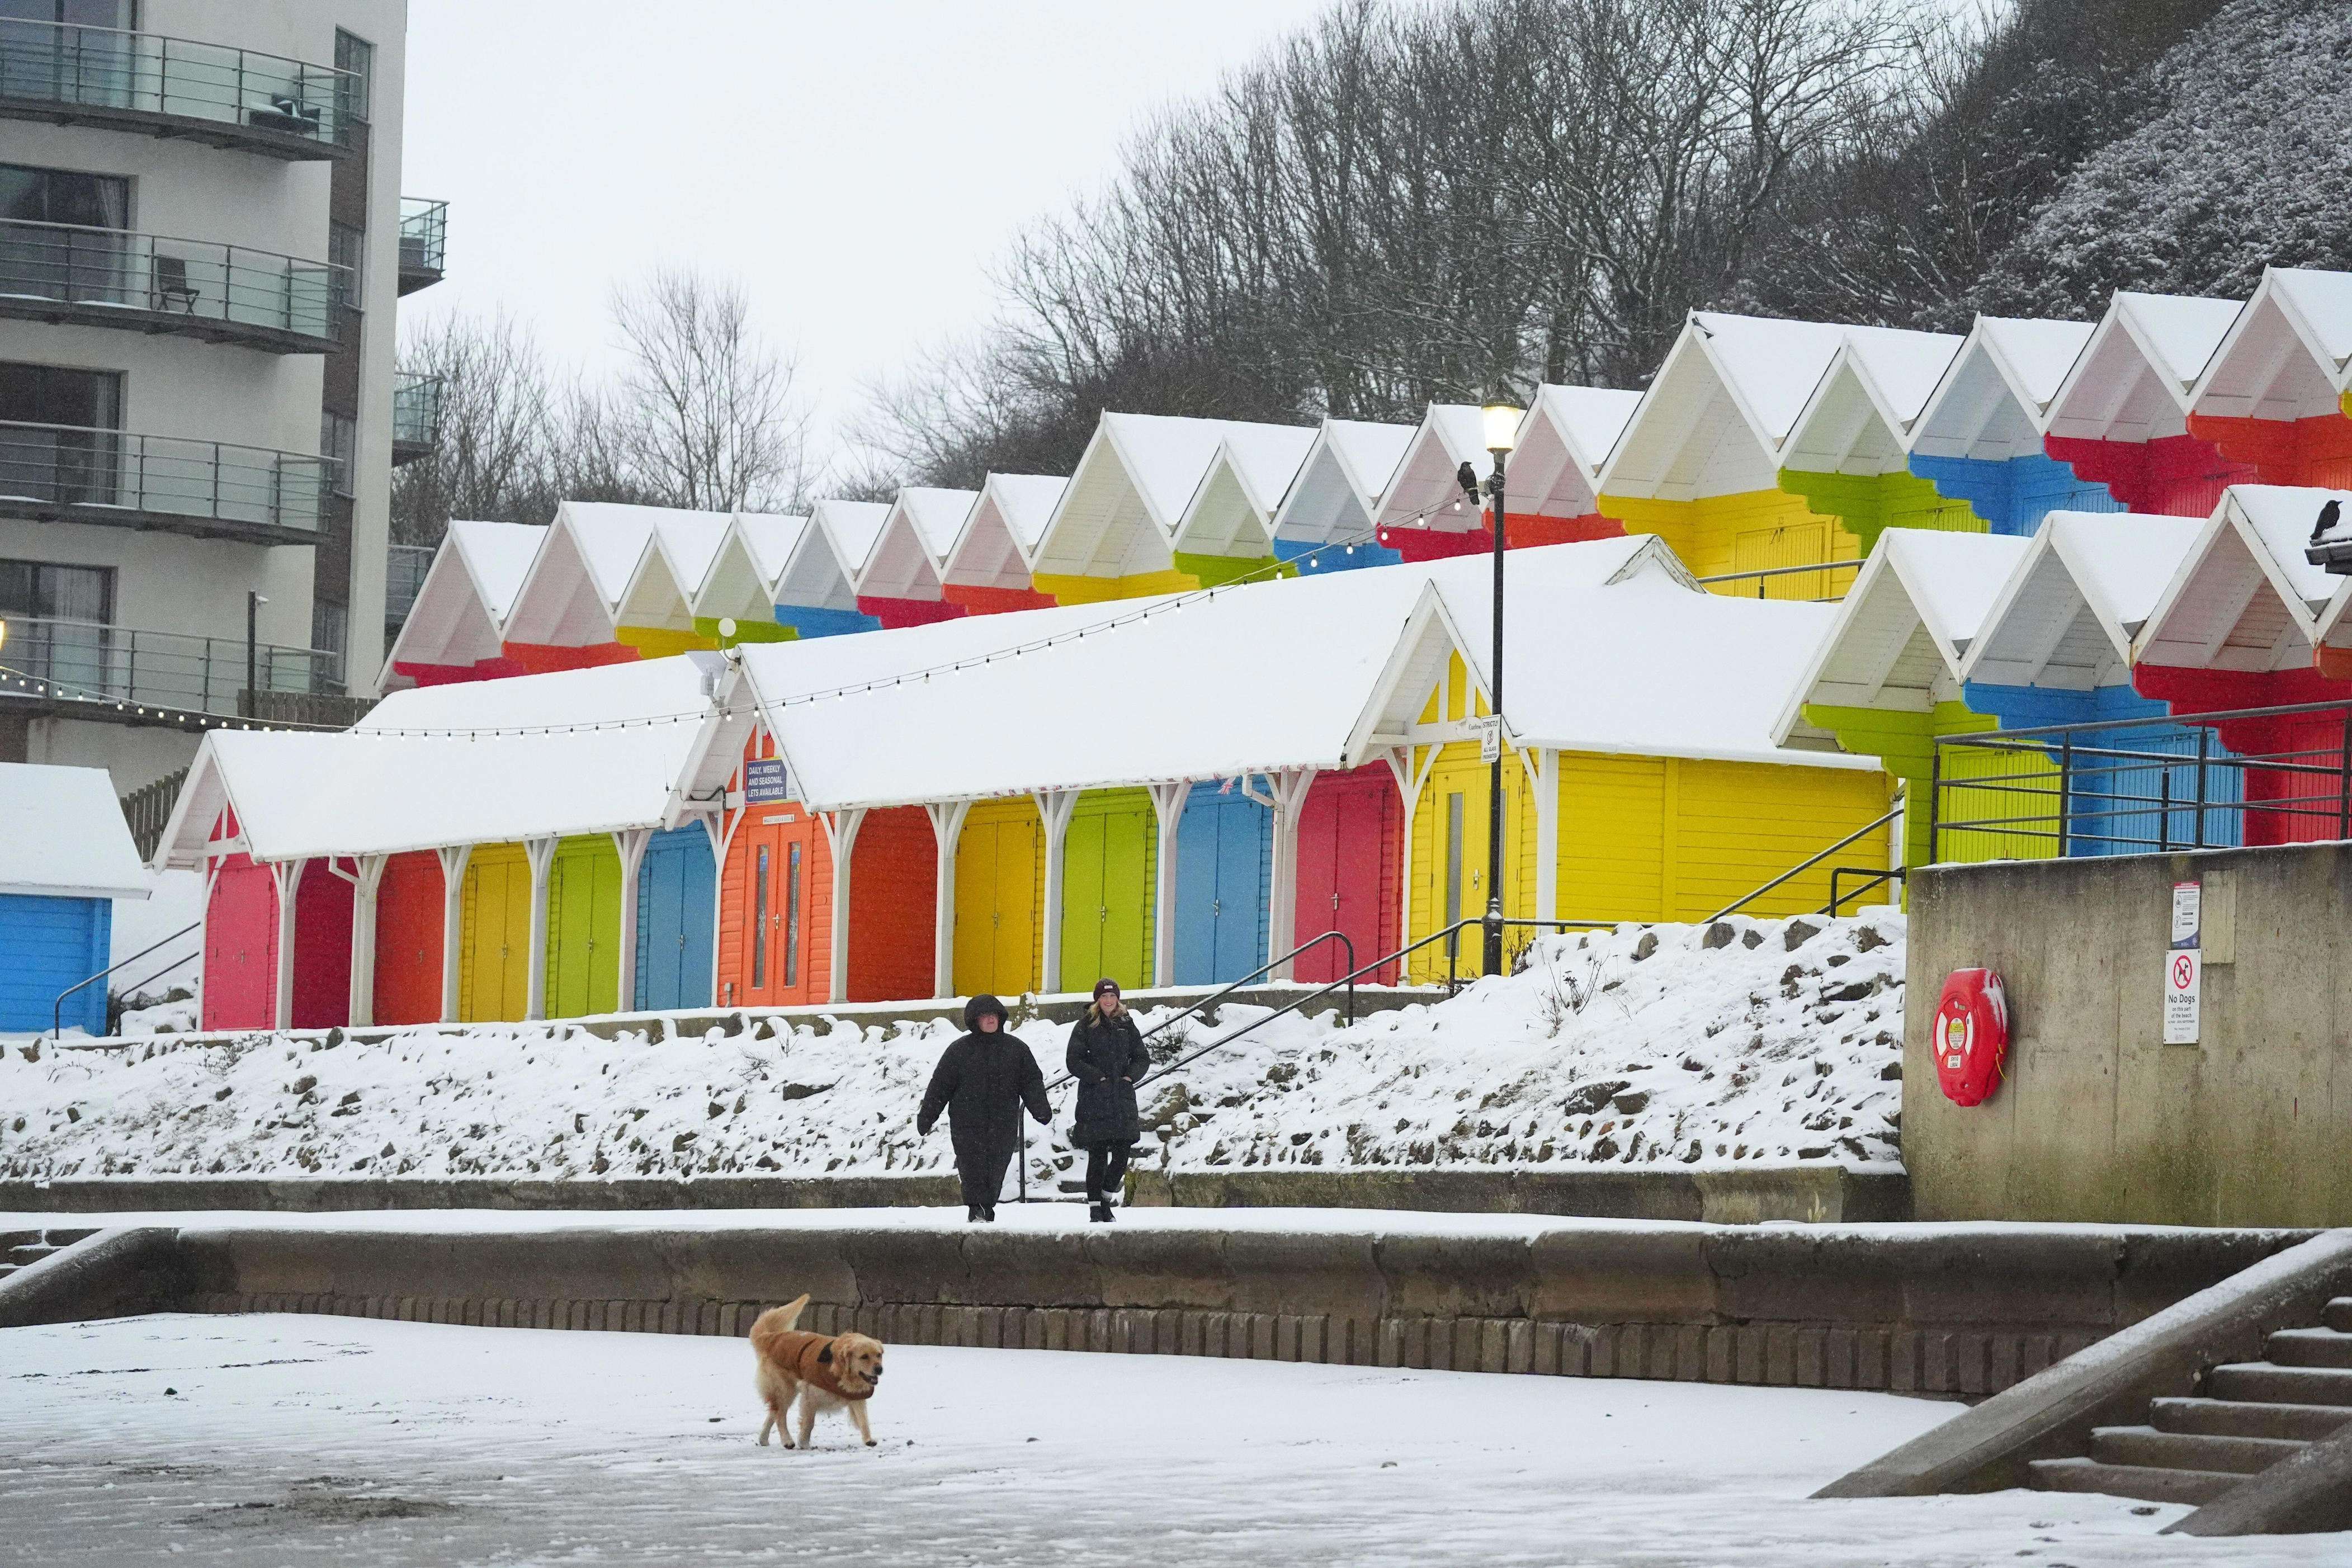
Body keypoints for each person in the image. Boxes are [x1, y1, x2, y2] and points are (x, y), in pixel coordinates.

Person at [916, 994, 1050, 1222]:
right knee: (971, 1165)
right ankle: (976, 1208)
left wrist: (1041, 1110)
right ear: (975, 1020)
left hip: (1003, 1121)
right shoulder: (959, 1051)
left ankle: (987, 1206)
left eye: (994, 1015)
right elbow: (940, 1086)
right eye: (985, 1016)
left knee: (997, 1165)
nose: (991, 1020)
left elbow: (1031, 1082)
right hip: (967, 1122)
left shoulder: (1016, 1049)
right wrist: (927, 1116)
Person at [1065, 977, 1149, 1223]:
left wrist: (1129, 1078)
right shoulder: (1086, 1025)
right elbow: (1074, 1060)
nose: (1109, 1001)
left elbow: (1142, 1058)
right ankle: (1094, 1208)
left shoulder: (1127, 1024)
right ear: (1097, 999)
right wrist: (1098, 1078)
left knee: (1122, 1156)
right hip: (1095, 1099)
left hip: (1122, 1099)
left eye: (1112, 997)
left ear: (1118, 999)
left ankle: (1105, 1199)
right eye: (1104, 997)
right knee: (1098, 1156)